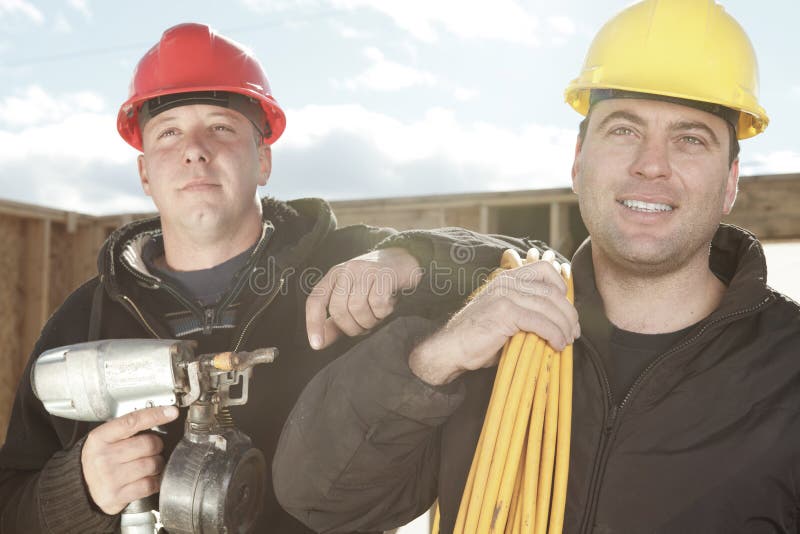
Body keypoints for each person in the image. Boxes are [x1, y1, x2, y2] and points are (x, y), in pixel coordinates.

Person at [273, 1, 800, 532]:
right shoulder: (490, 340)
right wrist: (434, 361)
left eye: (690, 139)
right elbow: (323, 501)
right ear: (577, 162)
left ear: (731, 181)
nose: (652, 164)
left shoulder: (789, 371)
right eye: (623, 130)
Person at [0, 23, 504, 533]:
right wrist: (79, 487)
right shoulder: (84, 321)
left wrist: (410, 258)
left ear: (263, 160)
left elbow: (524, 264)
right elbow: (10, 507)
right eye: (169, 132)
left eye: (221, 127)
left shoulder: (353, 263)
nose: (195, 150)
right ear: (145, 174)